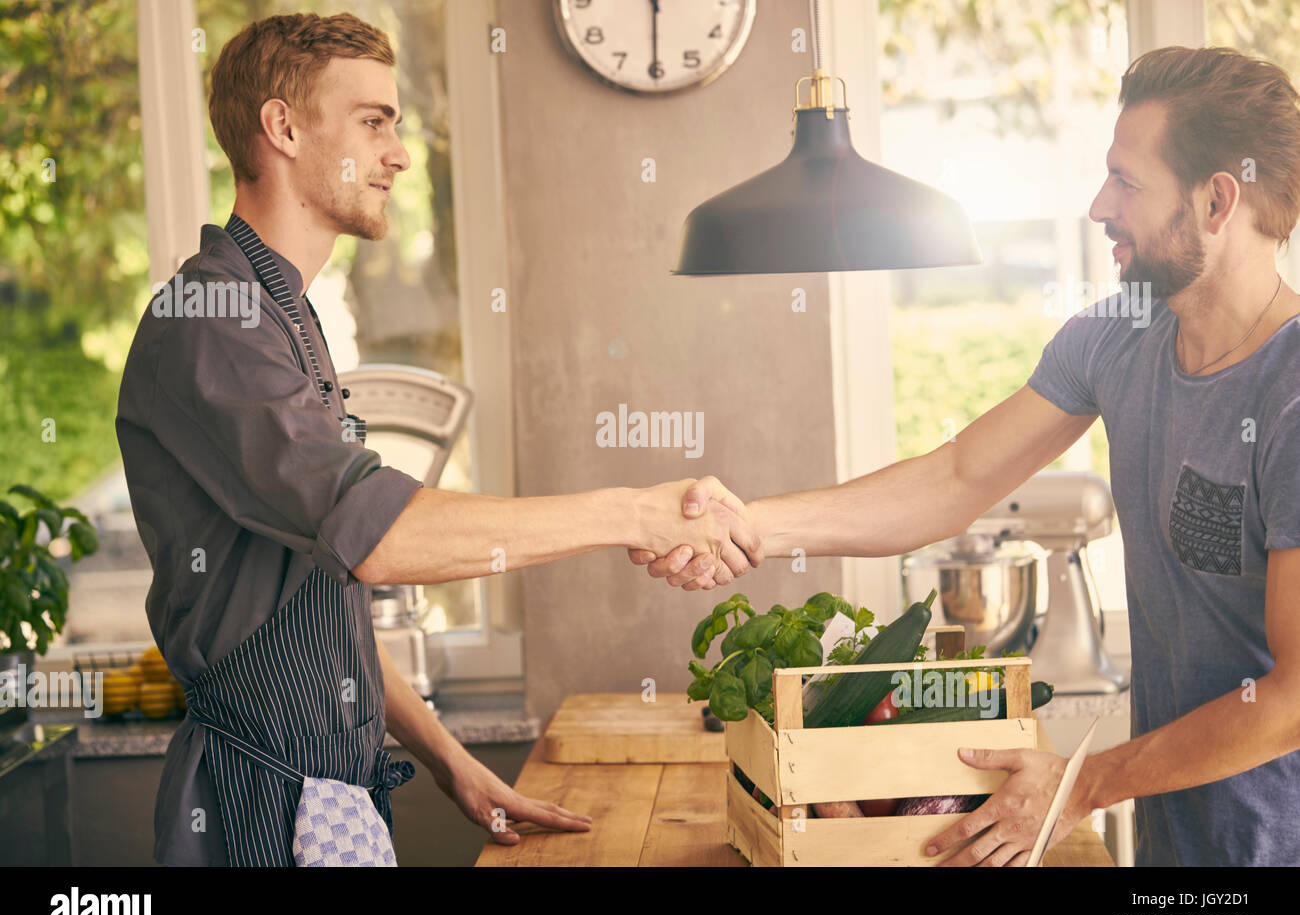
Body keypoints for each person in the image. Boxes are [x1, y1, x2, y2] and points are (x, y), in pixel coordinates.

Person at [116, 12, 760, 866]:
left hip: (324, 796)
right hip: (256, 810)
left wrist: (451, 759)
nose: (399, 153)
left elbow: (317, 606)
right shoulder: (212, 323)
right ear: (282, 128)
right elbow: (381, 537)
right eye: (373, 121)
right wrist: (636, 513)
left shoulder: (285, 314)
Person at [634, 46, 1300, 867]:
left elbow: (1292, 699)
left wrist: (1079, 785)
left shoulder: (1291, 398)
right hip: (1177, 850)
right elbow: (956, 478)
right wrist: (749, 526)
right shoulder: (1119, 337)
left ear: (1216, 199)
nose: (1098, 204)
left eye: (1126, 180)